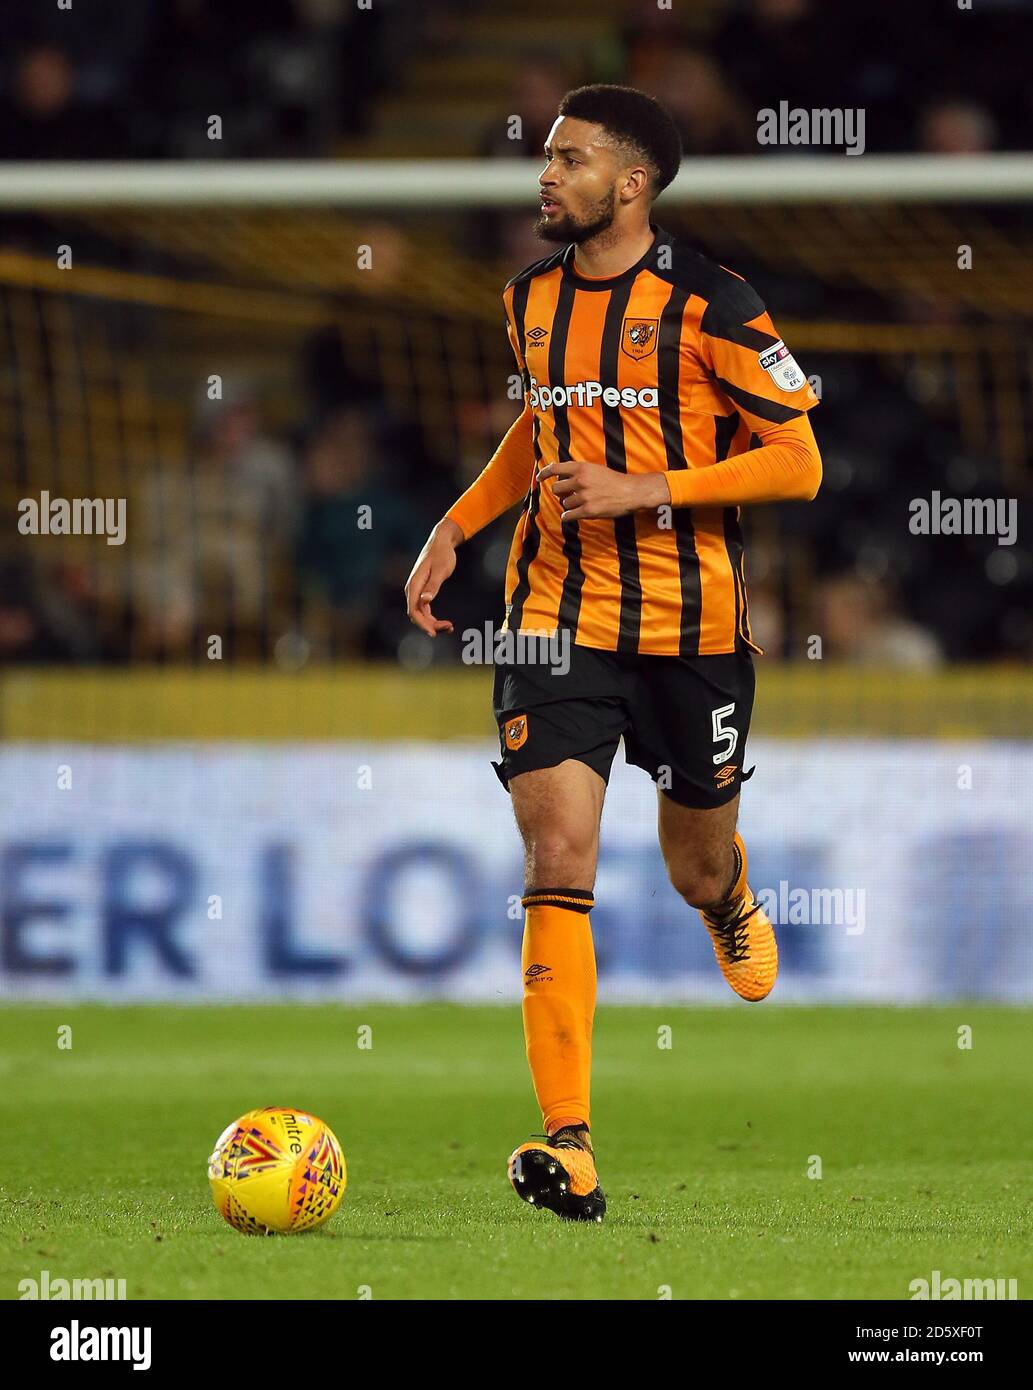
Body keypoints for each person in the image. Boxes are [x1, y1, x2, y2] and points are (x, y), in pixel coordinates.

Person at [405, 85, 821, 1223]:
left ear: (630, 185)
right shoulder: (528, 296)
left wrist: (651, 488)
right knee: (557, 847)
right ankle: (570, 1143)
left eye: (569, 160)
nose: (545, 176)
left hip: (693, 633)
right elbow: (540, 426)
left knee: (691, 861)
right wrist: (457, 524)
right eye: (546, 158)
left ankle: (726, 895)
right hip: (555, 615)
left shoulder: (713, 304)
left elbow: (798, 460)